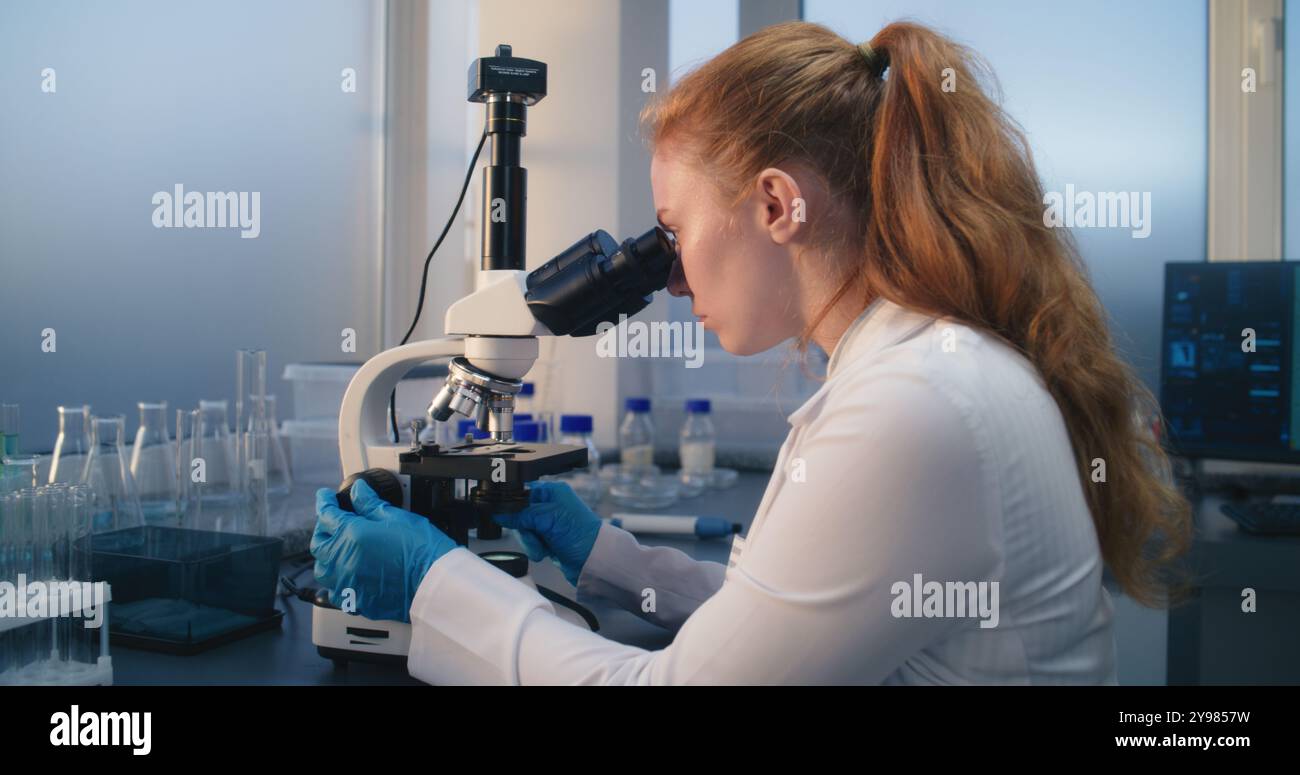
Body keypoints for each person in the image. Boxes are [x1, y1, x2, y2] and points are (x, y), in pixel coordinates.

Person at [311, 20, 1191, 685]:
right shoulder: (922, 370)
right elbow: (775, 619)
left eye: (672, 233)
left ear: (776, 206)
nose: (670, 277)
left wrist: (435, 584)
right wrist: (604, 555)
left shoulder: (915, 409)